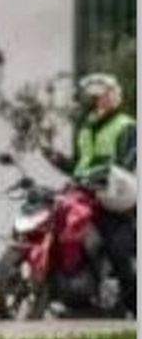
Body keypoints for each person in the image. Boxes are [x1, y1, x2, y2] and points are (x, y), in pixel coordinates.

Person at [41, 73, 136, 315]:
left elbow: (126, 163)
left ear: (115, 97)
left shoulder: (126, 126)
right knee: (60, 233)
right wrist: (55, 158)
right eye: (96, 96)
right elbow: (79, 166)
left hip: (113, 198)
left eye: (105, 95)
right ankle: (67, 296)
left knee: (117, 248)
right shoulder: (86, 127)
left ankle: (132, 304)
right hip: (81, 193)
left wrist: (103, 175)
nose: (99, 100)